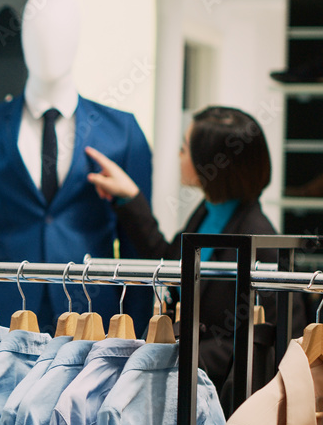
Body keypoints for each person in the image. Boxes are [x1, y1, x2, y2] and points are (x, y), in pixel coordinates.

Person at [0, 0, 153, 342]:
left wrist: (139, 335)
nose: (48, 44)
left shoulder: (122, 132)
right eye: (37, 33)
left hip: (93, 322)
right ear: (22, 39)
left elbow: (137, 250)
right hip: (1, 320)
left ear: (77, 38)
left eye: (60, 32)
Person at [86, 105, 305, 409]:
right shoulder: (206, 212)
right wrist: (130, 197)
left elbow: (267, 344)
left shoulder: (261, 241)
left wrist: (176, 354)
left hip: (223, 406)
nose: (179, 155)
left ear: (212, 164)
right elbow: (171, 263)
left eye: (185, 148)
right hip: (192, 390)